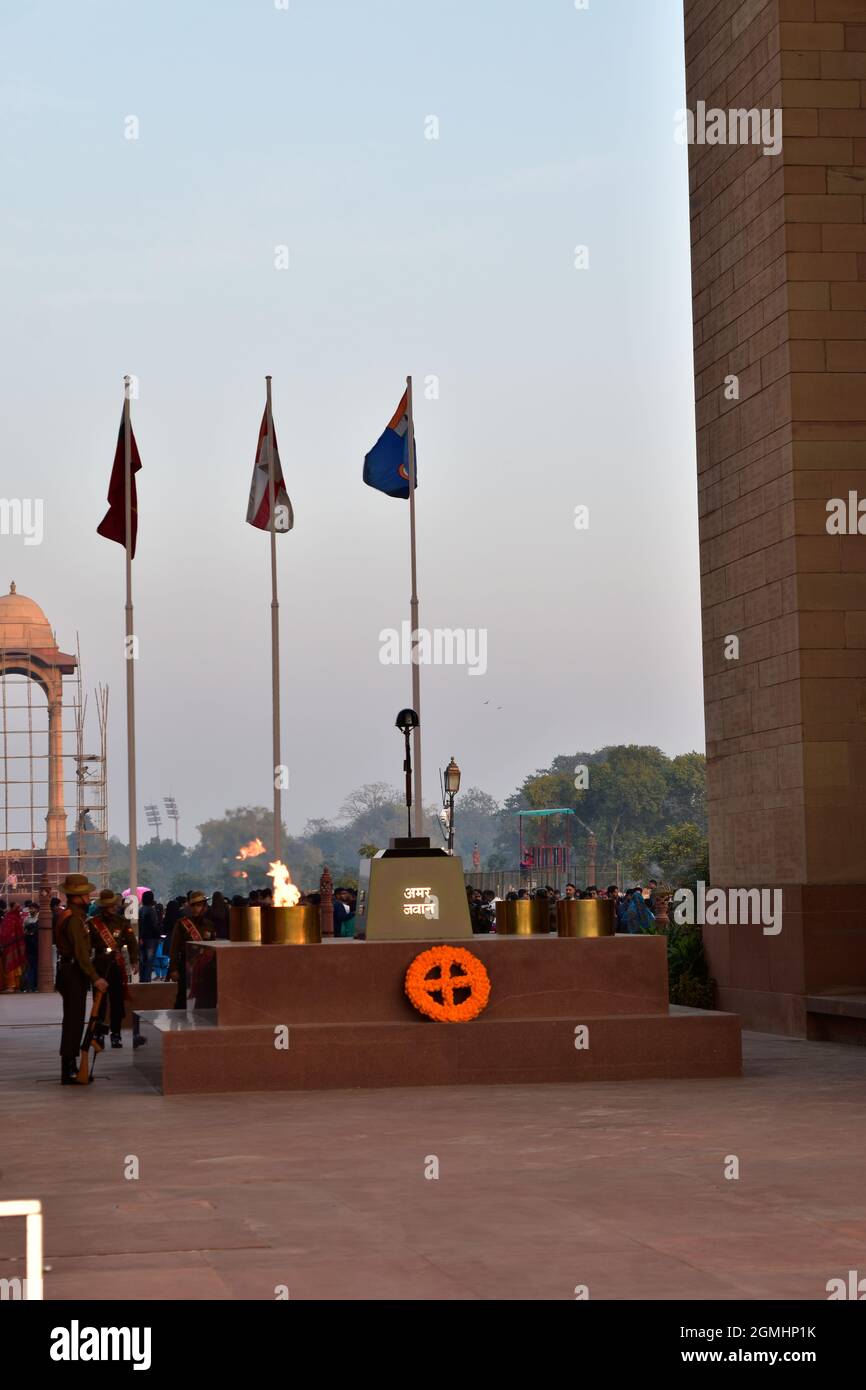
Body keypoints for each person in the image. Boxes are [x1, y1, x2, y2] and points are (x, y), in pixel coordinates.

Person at [55, 873, 108, 1085]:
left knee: (74, 1020)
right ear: (77, 897)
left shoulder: (72, 916)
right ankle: (68, 1070)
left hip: (72, 971)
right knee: (73, 1022)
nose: (88, 898)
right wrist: (95, 978)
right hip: (73, 971)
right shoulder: (74, 919)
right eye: (85, 895)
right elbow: (81, 954)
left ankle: (71, 1066)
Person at [89, 889, 139, 1047]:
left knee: (117, 1001)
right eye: (109, 905)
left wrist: (134, 961)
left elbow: (132, 942)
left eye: (113, 905)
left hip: (116, 965)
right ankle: (99, 1034)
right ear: (103, 906)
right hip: (99, 965)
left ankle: (116, 1034)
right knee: (100, 1002)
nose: (112, 907)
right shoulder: (93, 923)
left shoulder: (122, 922)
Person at [169, 891, 215, 1008]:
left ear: (204, 907)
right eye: (193, 905)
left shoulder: (210, 925)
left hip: (206, 967)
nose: (195, 908)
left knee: (205, 998)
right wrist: (173, 969)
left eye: (198, 905)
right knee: (182, 998)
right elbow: (174, 947)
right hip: (187, 965)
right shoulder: (182, 924)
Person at [0, 902, 26, 992]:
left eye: (19, 907)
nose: (19, 909)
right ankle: (11, 986)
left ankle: (14, 986)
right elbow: (5, 933)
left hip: (15, 944)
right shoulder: (9, 918)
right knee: (10, 964)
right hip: (10, 945)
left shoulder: (15, 917)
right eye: (17, 907)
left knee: (14, 965)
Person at [138, 890, 160, 982]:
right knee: (149, 961)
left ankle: (142, 979)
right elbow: (154, 925)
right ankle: (147, 980)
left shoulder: (141, 909)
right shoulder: (152, 910)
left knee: (143, 960)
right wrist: (158, 935)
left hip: (142, 938)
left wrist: (140, 937)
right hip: (151, 939)